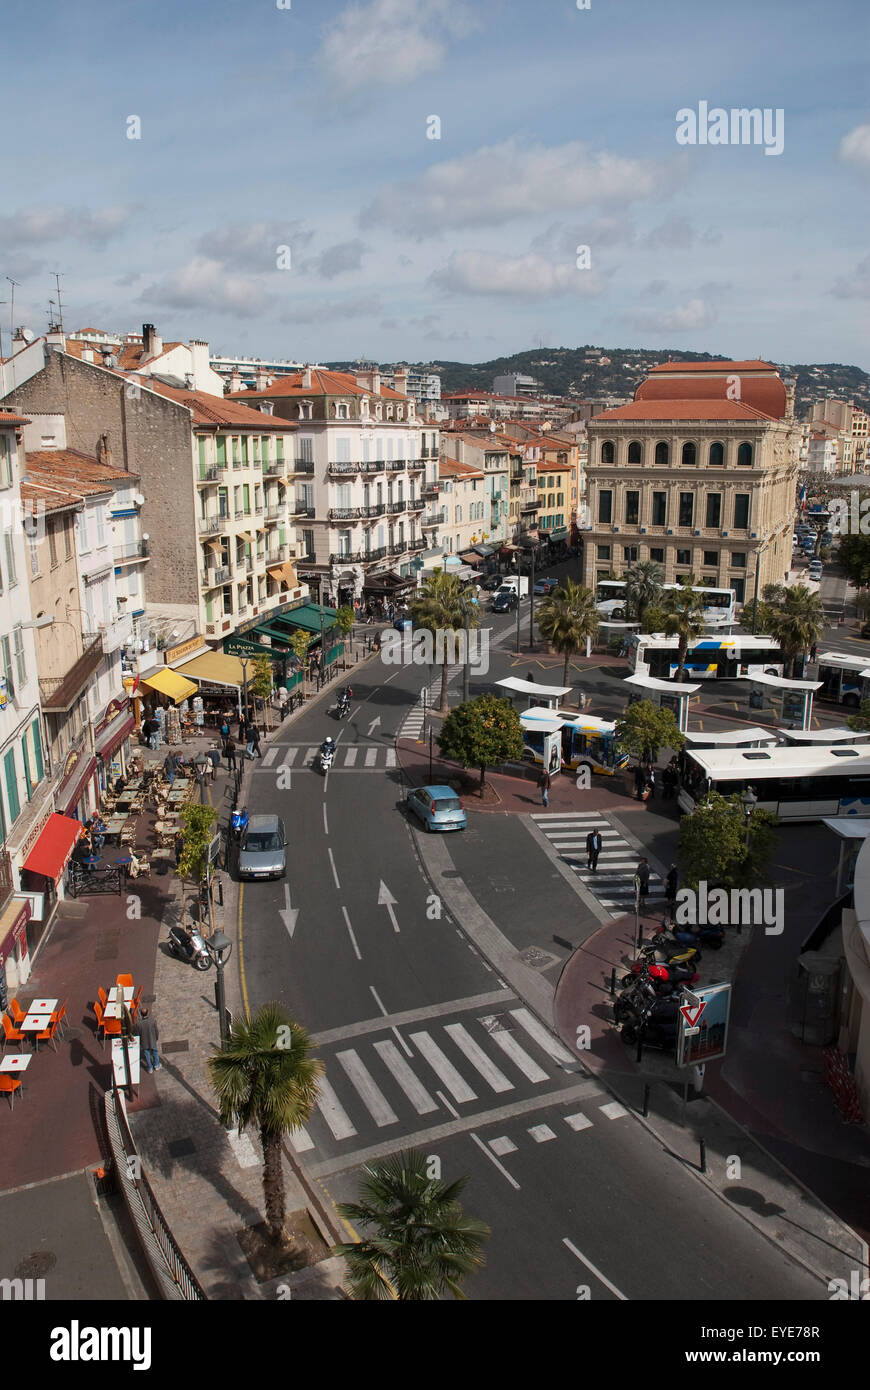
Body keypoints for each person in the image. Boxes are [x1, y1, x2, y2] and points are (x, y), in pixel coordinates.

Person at [135, 1005, 161, 1073]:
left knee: (147, 1055)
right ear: (147, 1013)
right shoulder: (152, 1021)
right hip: (152, 1040)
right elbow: (156, 1031)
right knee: (155, 1052)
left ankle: (150, 1068)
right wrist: (156, 1038)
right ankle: (156, 1065)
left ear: (141, 1014)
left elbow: (137, 1034)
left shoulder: (138, 1024)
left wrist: (140, 1042)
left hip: (144, 1042)